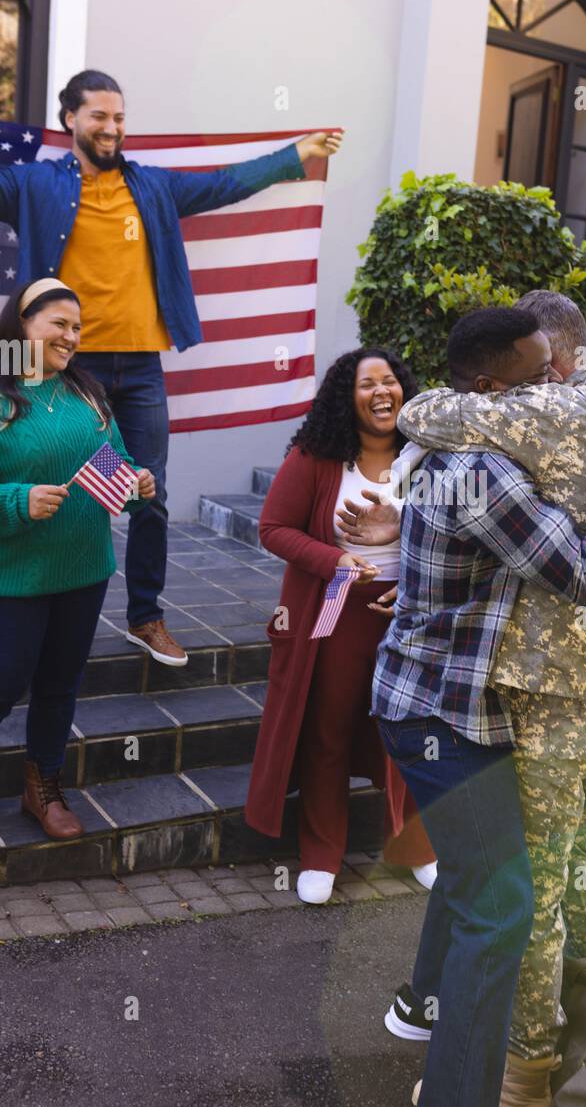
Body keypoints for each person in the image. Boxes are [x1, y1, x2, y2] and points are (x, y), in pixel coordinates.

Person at [368, 307, 586, 1107]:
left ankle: (421, 1009)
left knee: (473, 881)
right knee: (504, 911)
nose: (558, 389)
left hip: (431, 701)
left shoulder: (465, 445)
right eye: (539, 378)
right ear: (489, 390)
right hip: (442, 717)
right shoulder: (483, 471)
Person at [0, 69, 342, 669]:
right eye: (99, 116)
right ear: (69, 121)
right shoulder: (33, 183)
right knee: (34, 474)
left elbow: (223, 184)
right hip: (54, 365)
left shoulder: (152, 186)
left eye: (120, 117)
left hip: (138, 368)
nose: (112, 127)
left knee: (144, 490)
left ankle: (145, 617)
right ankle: (25, 617)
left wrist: (295, 156)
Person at [244, 348, 436, 906]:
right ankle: (322, 855)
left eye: (392, 380)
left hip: (411, 614)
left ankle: (418, 849)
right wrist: (334, 561)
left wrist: (420, 583)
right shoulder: (318, 456)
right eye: (367, 384)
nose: (383, 391)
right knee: (327, 732)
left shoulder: (432, 457)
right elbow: (274, 527)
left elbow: (453, 537)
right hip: (336, 611)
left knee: (412, 732)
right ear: (345, 398)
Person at [0, 278, 154, 839]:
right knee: (6, 680)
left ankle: (42, 788)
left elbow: (113, 460)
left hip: (84, 570)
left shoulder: (86, 393)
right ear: (22, 325)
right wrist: (19, 499)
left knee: (60, 685)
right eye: (59, 324)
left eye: (78, 328)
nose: (72, 336)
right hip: (14, 577)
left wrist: (135, 479)